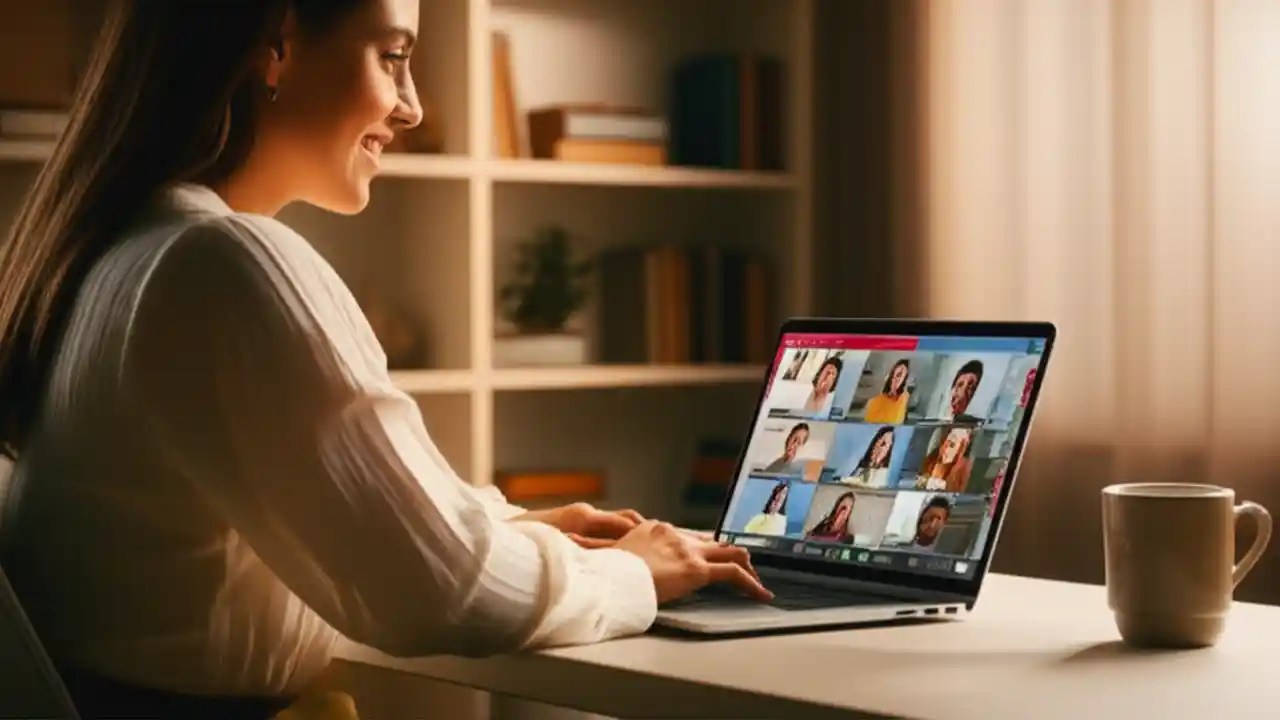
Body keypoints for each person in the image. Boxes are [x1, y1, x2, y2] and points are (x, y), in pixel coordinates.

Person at [0, 2, 770, 716]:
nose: (414, 106)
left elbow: (330, 523)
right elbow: (446, 593)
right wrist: (636, 571)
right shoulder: (226, 262)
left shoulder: (116, 253)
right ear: (277, 45)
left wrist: (514, 530)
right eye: (393, 56)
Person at [915, 427, 974, 492]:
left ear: (961, 449)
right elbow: (920, 480)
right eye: (946, 441)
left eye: (952, 445)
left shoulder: (963, 468)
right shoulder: (934, 456)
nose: (945, 447)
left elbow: (954, 489)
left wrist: (939, 484)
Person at [863, 359, 910, 423]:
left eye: (900, 375)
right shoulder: (876, 399)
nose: (896, 379)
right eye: (894, 375)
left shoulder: (904, 398)